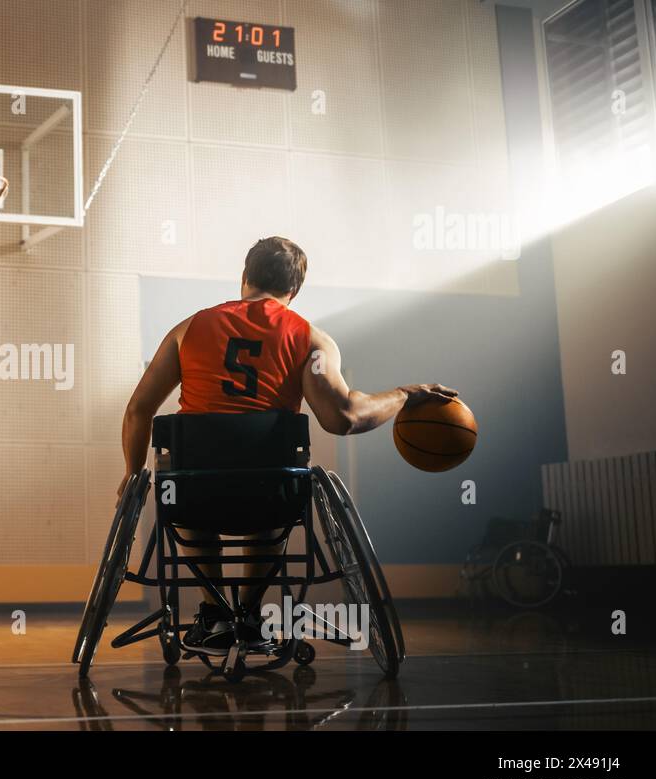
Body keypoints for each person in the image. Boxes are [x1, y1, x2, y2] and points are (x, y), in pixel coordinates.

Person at [118, 236, 458, 655]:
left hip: (193, 495)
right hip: (269, 495)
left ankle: (216, 614)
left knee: (186, 477)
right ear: (294, 291)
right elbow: (343, 418)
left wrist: (132, 476)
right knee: (274, 482)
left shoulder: (188, 328)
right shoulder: (311, 340)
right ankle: (252, 614)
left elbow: (138, 410)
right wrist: (408, 393)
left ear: (244, 277)